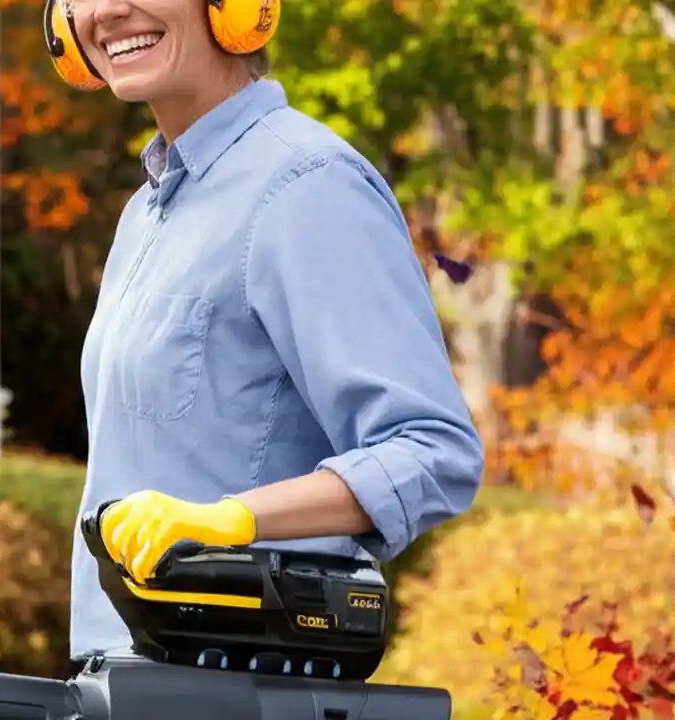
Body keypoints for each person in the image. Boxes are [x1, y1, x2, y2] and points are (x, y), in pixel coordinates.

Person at [43, 0, 486, 664]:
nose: (108, 9)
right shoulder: (147, 212)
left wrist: (232, 520)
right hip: (126, 678)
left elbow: (431, 450)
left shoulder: (307, 186)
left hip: (240, 683)